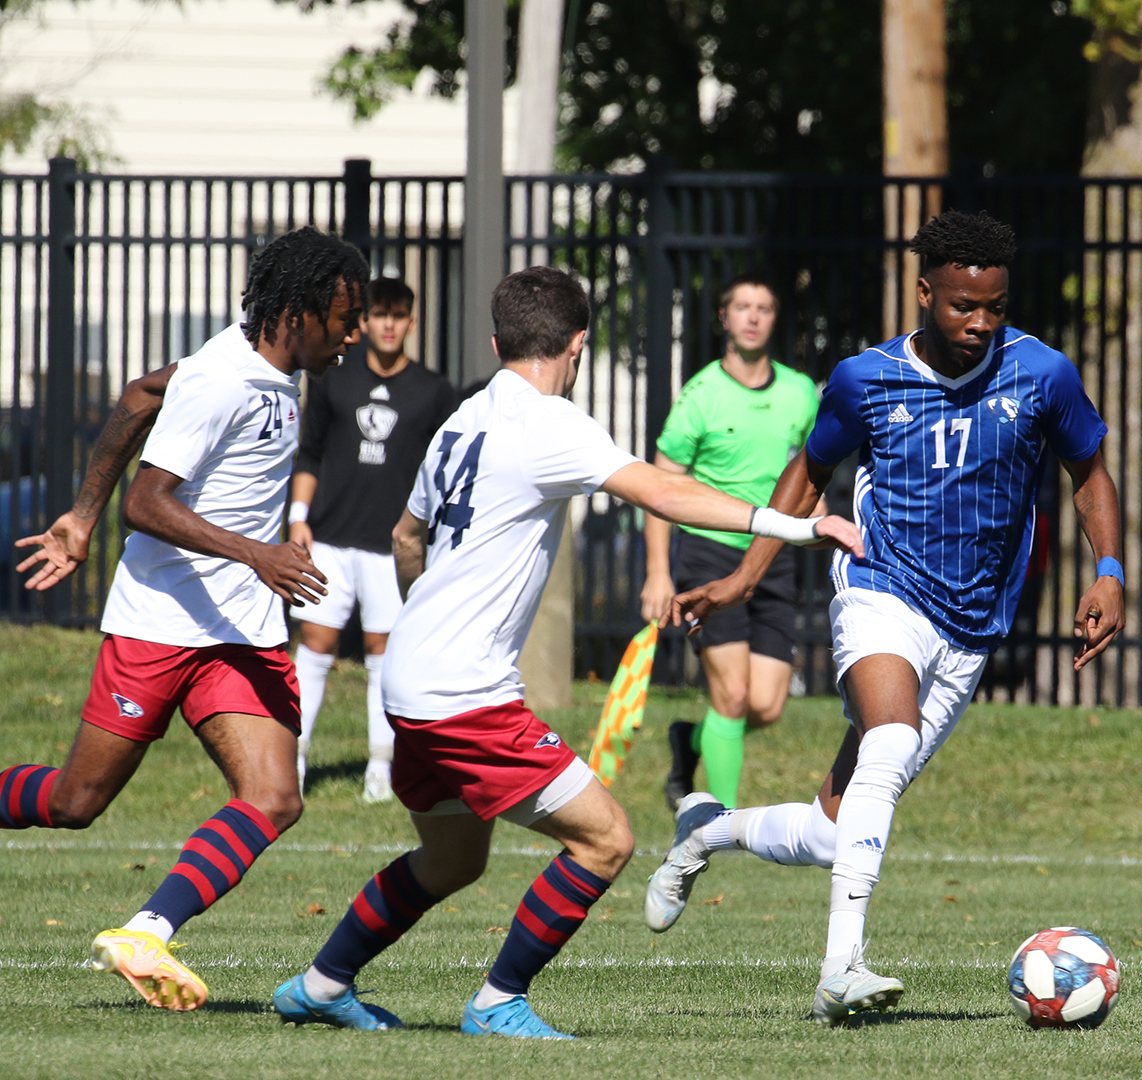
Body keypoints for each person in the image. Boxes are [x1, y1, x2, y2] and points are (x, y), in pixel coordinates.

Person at [270, 266, 861, 1039]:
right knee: (607, 838)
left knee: (451, 861)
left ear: (497, 344)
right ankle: (497, 1001)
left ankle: (321, 984)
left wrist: (430, 616)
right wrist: (798, 526)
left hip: (410, 680)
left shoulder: (462, 417)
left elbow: (405, 537)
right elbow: (662, 492)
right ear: (577, 344)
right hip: (463, 695)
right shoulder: (551, 424)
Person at [642, 211, 1125, 1024]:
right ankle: (841, 970)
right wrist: (743, 577)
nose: (980, 324)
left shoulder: (1044, 374)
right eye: (963, 306)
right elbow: (808, 473)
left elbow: (1090, 472)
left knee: (834, 832)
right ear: (925, 292)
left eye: (996, 308)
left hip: (970, 629)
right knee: (890, 741)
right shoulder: (864, 379)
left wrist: (1109, 571)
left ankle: (705, 831)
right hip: (881, 589)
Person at [2, 227, 365, 1010]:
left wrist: (79, 516)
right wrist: (254, 553)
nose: (354, 333)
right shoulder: (222, 380)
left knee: (275, 796)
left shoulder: (261, 367)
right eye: (345, 317)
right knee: (75, 803)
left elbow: (140, 393)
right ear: (300, 312)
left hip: (237, 633)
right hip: (161, 624)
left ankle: (146, 932)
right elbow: (147, 501)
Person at [641, 271, 821, 812]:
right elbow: (660, 487)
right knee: (734, 695)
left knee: (764, 705)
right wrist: (658, 571)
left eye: (763, 307)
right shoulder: (701, 395)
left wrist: (819, 522)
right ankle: (718, 822)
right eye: (742, 306)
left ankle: (689, 740)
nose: (752, 317)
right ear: (724, 317)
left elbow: (812, 472)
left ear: (774, 319)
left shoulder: (800, 393)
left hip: (773, 555)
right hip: (710, 554)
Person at [288, 276, 457, 801]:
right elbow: (310, 452)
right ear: (364, 322)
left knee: (383, 652)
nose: (388, 325)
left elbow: (441, 471)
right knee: (315, 643)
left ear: (411, 322)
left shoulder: (433, 391)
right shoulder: (334, 378)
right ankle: (293, 757)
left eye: (398, 316)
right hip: (330, 538)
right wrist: (298, 518)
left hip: (391, 546)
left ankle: (381, 766)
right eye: (379, 315)